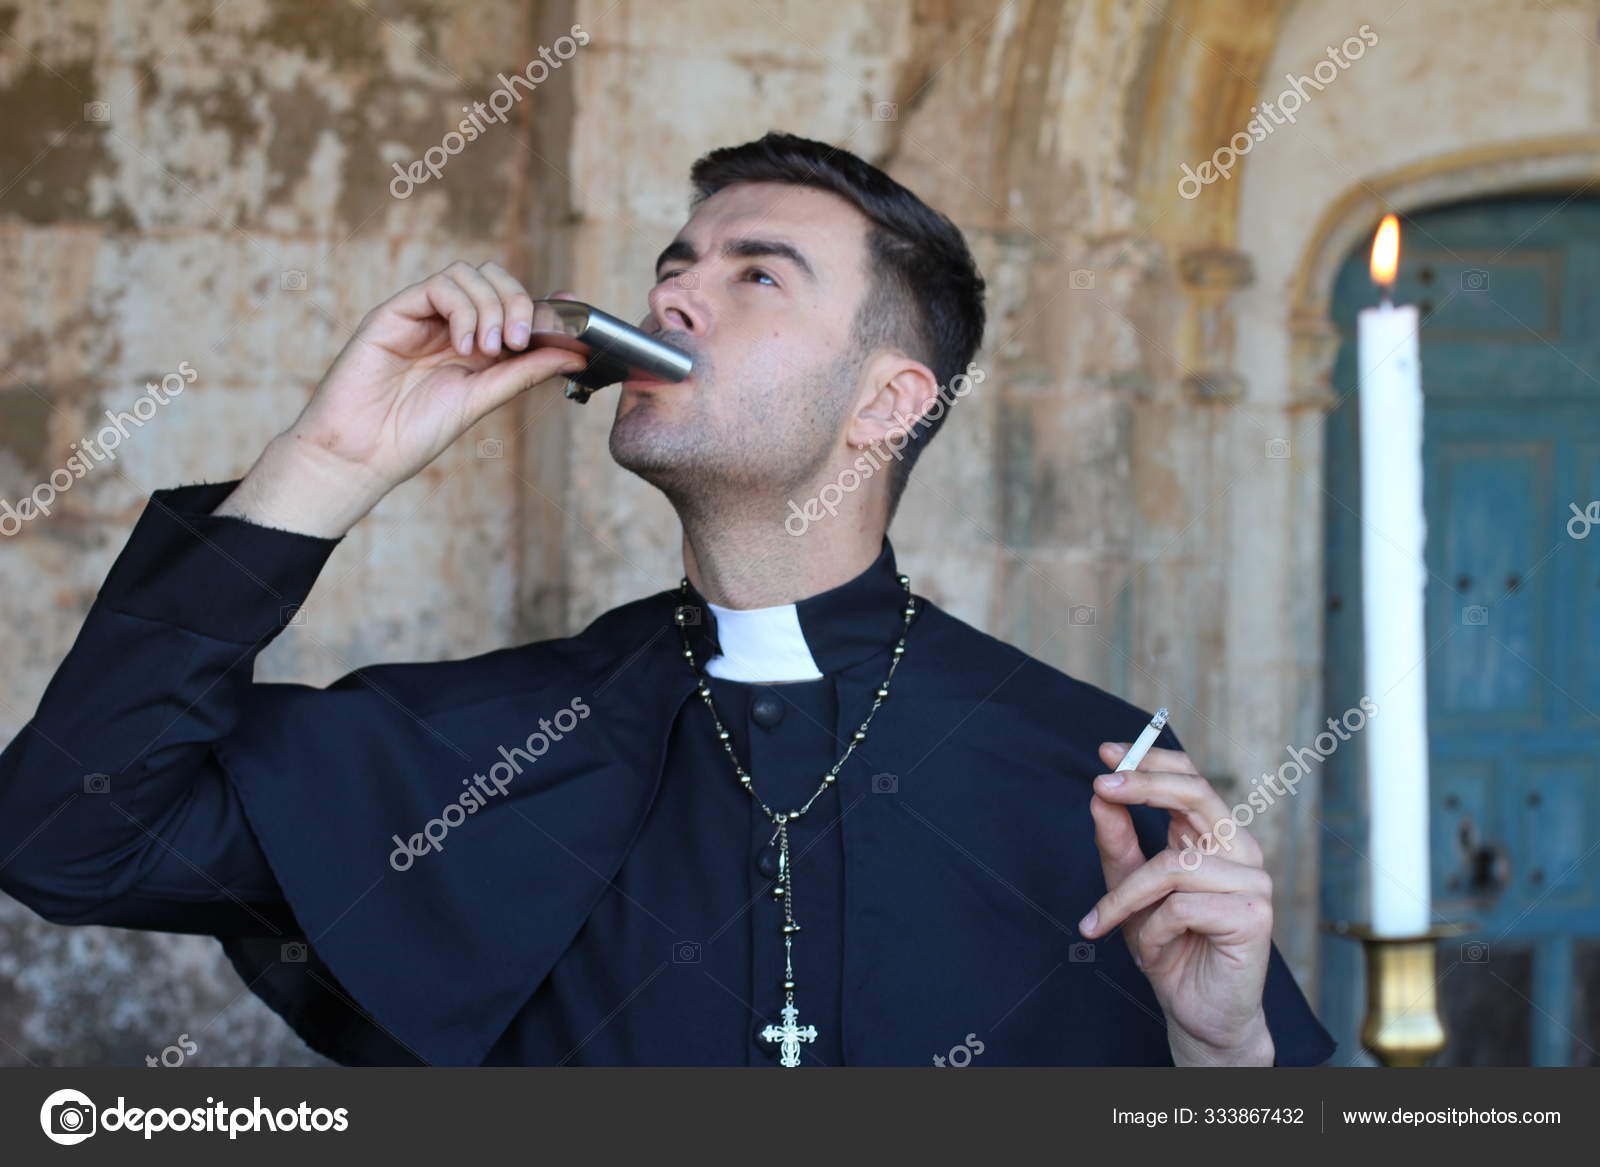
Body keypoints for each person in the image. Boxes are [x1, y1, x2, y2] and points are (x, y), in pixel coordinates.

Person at [0, 131, 1334, 1067]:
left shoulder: (1095, 778)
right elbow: (67, 832)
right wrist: (329, 461)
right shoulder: (482, 743)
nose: (675, 292)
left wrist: (1232, 1049)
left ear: (889, 401)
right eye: (674, 266)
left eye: (755, 274)